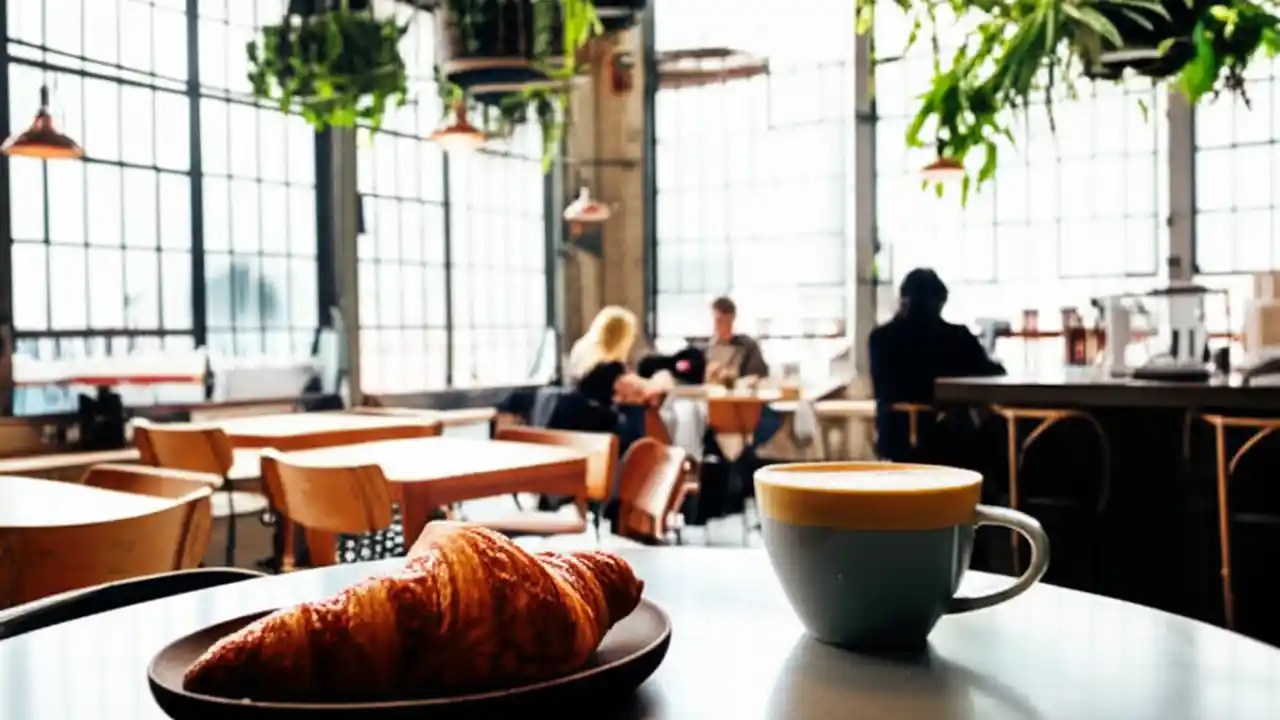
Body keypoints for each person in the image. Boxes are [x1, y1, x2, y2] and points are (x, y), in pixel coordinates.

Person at [868, 268, 1005, 460]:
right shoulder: (956, 337)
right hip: (949, 432)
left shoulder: (881, 338)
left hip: (895, 433)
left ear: (904, 299)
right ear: (940, 302)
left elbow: (884, 389)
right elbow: (992, 372)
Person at [564, 306, 666, 432]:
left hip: (577, 426)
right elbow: (646, 390)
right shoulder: (610, 366)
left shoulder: (582, 355)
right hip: (600, 429)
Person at [705, 296, 769, 386]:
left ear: (733, 319)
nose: (722, 326)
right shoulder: (705, 347)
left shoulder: (748, 346)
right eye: (718, 321)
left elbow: (758, 374)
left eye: (725, 321)